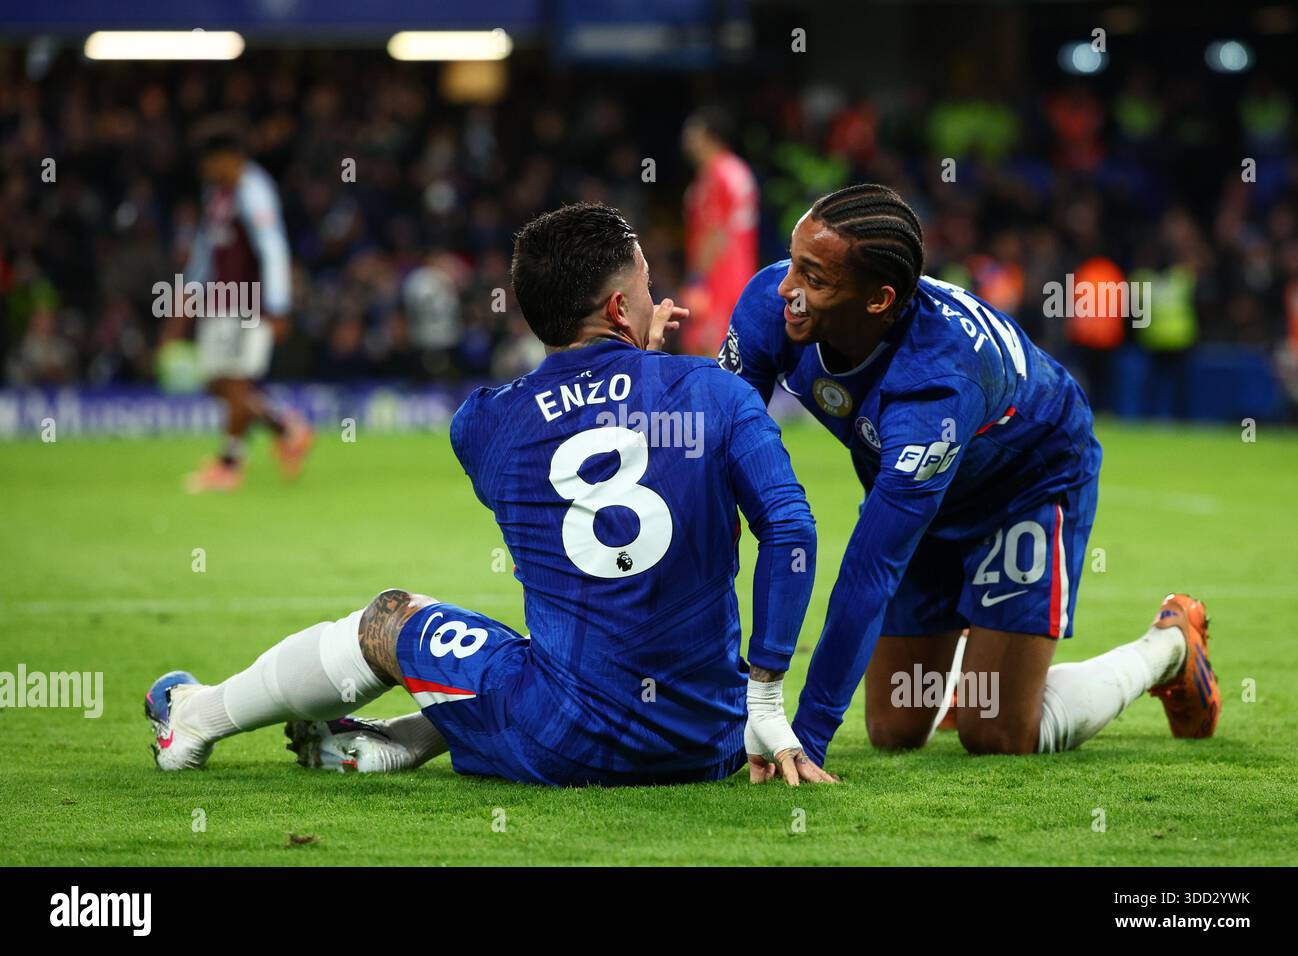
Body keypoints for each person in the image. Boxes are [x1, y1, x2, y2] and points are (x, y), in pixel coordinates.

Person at [146, 203, 833, 787]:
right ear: (623, 307)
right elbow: (790, 531)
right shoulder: (715, 394)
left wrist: (634, 371)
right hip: (706, 744)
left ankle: (196, 720)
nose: (656, 298)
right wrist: (766, 704)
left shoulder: (485, 424)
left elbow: (593, 435)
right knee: (608, 615)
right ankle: (409, 737)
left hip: (563, 741)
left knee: (392, 614)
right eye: (647, 285)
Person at [717, 183, 1219, 764]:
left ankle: (1169, 646)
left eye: (814, 278)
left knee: (998, 735)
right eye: (792, 263)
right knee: (894, 728)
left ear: (879, 300)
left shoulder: (934, 384)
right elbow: (725, 450)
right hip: (924, 481)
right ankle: (980, 669)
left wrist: (808, 741)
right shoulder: (768, 304)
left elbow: (869, 570)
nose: (787, 291)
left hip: (1025, 482)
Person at [180, 119, 313, 493]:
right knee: (216, 382)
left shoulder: (254, 190)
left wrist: (277, 305)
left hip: (249, 303)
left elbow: (272, 248)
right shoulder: (217, 193)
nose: (206, 169)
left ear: (229, 158)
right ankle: (289, 429)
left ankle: (229, 464)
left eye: (211, 161)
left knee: (236, 382)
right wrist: (191, 289)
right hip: (222, 301)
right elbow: (208, 248)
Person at [680, 107, 758, 357]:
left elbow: (714, 234)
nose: (686, 139)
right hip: (740, 276)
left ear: (709, 135)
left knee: (703, 354)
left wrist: (697, 281)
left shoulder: (715, 175)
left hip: (717, 280)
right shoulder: (737, 169)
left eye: (692, 132)